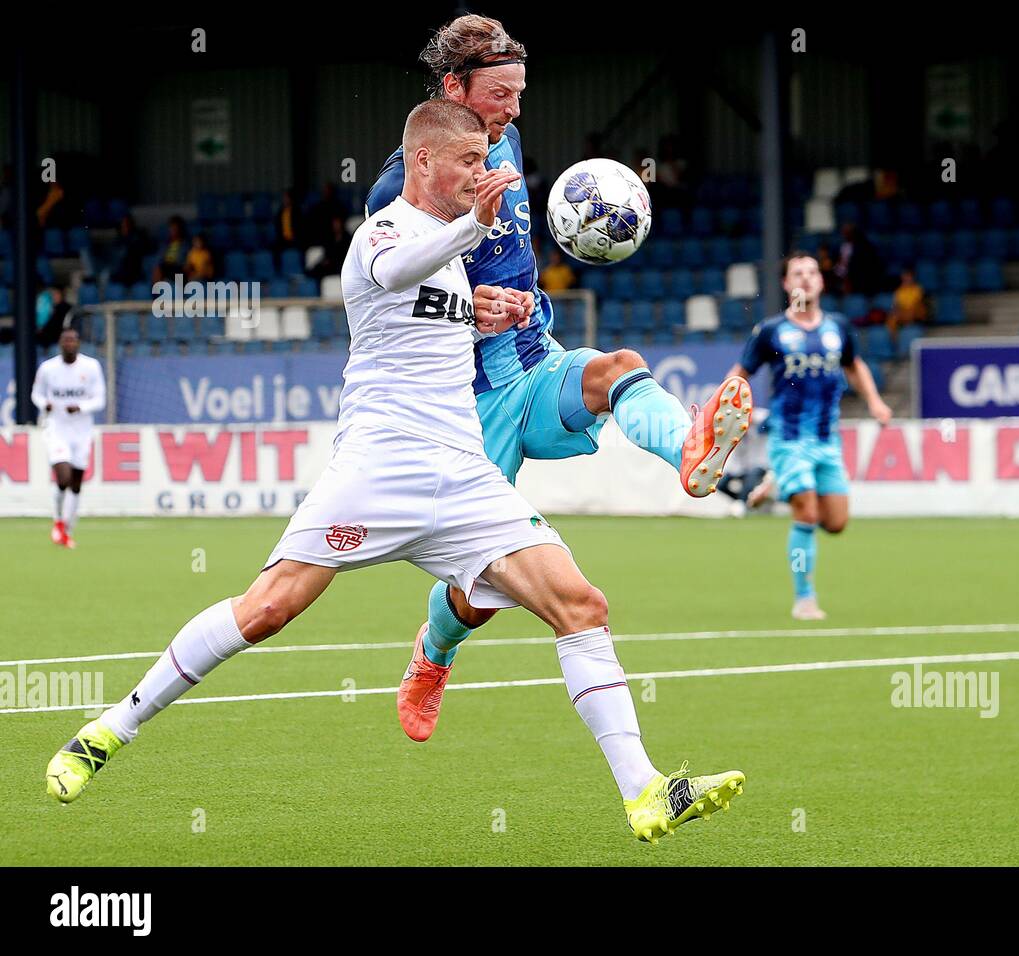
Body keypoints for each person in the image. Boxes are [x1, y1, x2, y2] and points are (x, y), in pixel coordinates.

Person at [44, 100, 744, 844]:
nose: (484, 173)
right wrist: (474, 224)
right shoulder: (382, 230)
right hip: (379, 470)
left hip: (464, 476)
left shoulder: (447, 252)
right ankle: (110, 728)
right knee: (267, 609)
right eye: (470, 162)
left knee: (581, 604)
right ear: (424, 164)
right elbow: (393, 269)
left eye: (487, 161)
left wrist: (487, 309)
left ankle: (644, 791)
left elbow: (431, 306)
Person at [365, 14, 753, 676]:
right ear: (454, 87)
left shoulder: (506, 140)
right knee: (481, 591)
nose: (514, 110)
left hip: (533, 357)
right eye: (500, 94)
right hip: (467, 399)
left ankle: (689, 453)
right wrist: (468, 310)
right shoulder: (401, 184)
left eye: (520, 93)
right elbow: (386, 300)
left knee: (618, 369)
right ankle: (433, 653)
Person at [730, 254, 892, 620]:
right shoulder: (772, 331)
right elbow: (741, 372)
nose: (805, 279)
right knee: (806, 511)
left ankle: (776, 485)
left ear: (821, 282)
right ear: (787, 285)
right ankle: (805, 598)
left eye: (812, 272)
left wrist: (875, 402)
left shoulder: (838, 328)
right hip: (787, 438)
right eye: (797, 273)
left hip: (826, 441)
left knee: (835, 523)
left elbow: (854, 365)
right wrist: (721, 406)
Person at [31, 327, 104, 549]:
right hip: (56, 428)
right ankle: (58, 521)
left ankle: (67, 528)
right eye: (66, 341)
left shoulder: (91, 367)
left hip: (82, 431)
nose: (69, 344)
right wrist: (45, 404)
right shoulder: (48, 368)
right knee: (63, 477)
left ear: (79, 344)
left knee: (76, 483)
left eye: (73, 340)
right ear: (60, 344)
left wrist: (80, 407)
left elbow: (100, 400)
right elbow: (36, 394)